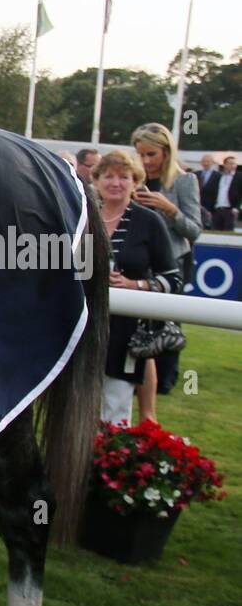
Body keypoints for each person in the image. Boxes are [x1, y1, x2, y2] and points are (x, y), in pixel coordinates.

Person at [93, 150, 181, 425]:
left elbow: (172, 279)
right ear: (96, 181)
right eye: (108, 176)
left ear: (135, 182)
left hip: (126, 332)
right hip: (84, 327)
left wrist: (135, 284)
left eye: (124, 177)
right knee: (80, 405)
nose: (115, 183)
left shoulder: (148, 222)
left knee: (115, 406)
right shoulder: (83, 217)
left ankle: (109, 462)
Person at [131, 122, 201, 401]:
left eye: (151, 154)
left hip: (173, 259)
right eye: (141, 155)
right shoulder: (135, 180)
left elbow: (194, 229)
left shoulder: (185, 181)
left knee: (167, 321)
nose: (146, 161)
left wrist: (170, 209)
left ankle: (166, 378)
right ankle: (136, 376)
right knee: (138, 321)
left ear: (166, 152)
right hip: (141, 258)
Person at [201, 154, 241, 232]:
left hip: (230, 210)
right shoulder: (219, 176)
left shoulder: (239, 177)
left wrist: (236, 207)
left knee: (228, 232)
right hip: (217, 209)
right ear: (225, 165)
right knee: (215, 231)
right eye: (230, 163)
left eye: (234, 163)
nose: (232, 165)